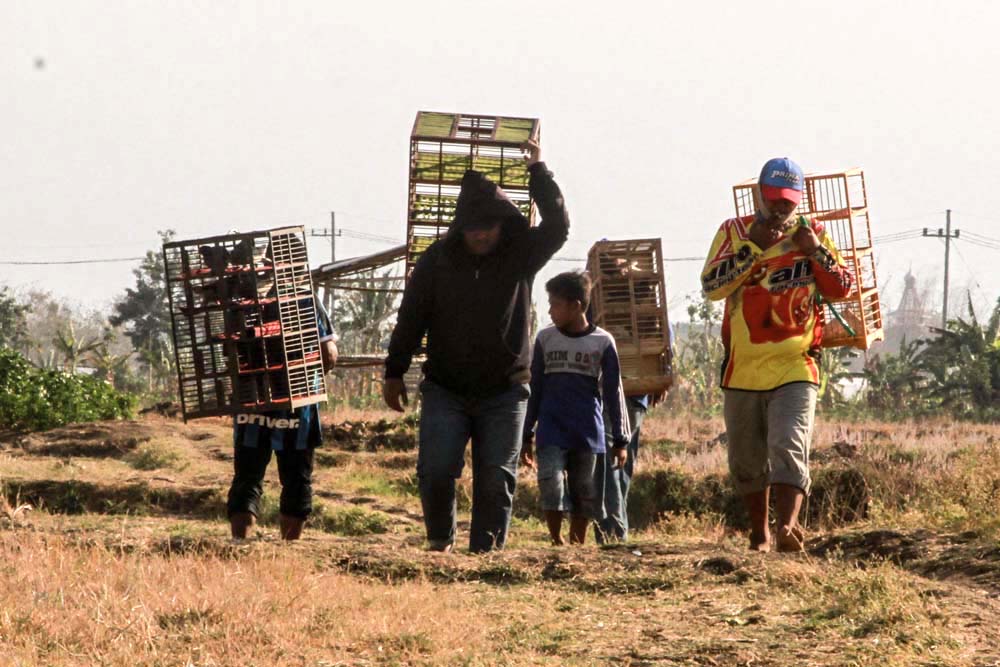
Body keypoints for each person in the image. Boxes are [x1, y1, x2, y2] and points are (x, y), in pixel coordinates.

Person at [383, 140, 569, 553]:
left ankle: (486, 557)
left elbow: (557, 225)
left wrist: (539, 172)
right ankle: (438, 547)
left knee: (495, 476)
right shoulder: (437, 261)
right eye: (472, 227)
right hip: (446, 387)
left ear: (502, 223)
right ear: (460, 227)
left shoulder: (521, 255)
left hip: (505, 390)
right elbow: (412, 316)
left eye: (488, 225)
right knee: (435, 469)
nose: (481, 233)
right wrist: (394, 370)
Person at [701, 157, 853, 552]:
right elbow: (712, 287)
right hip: (743, 368)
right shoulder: (732, 233)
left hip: (797, 364)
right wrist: (753, 249)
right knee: (746, 461)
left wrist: (816, 252)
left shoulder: (812, 232)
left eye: (788, 201)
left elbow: (843, 286)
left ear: (798, 200)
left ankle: (787, 527)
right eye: (774, 200)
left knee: (789, 443)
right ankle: (759, 533)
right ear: (759, 197)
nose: (781, 208)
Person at [226, 252, 338, 541]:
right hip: (297, 407)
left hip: (252, 405)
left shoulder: (239, 305)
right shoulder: (305, 302)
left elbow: (228, 356)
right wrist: (311, 379)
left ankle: (240, 542)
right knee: (296, 479)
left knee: (247, 478)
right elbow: (329, 354)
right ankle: (290, 547)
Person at [520, 271, 630, 545]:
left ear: (577, 306)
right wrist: (526, 433)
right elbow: (535, 390)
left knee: (585, 493)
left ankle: (576, 545)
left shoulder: (603, 342)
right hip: (551, 430)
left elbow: (614, 392)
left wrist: (620, 439)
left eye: (556, 304)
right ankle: (557, 542)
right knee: (551, 485)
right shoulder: (545, 339)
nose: (550, 311)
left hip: (587, 432)